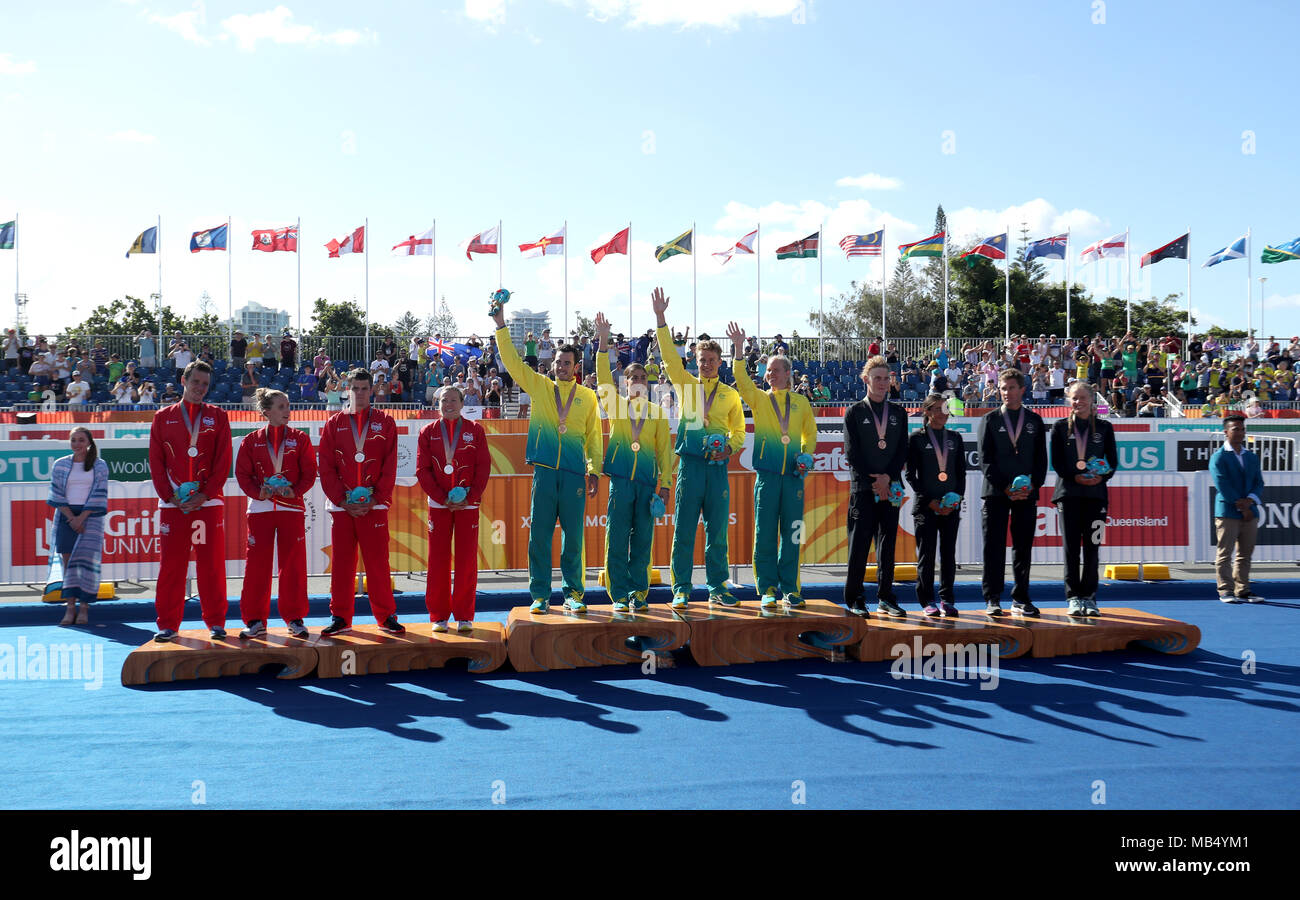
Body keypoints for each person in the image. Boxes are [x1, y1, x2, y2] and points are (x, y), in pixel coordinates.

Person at [493, 304, 602, 613]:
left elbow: (594, 437)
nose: (562, 367)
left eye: (567, 363)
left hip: (572, 473)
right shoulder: (541, 386)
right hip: (544, 470)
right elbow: (513, 364)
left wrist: (594, 469)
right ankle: (540, 594)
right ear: (552, 364)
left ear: (576, 366)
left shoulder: (588, 397)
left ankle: (573, 594)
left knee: (573, 539)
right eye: (558, 362)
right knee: (539, 536)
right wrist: (501, 325)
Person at [653, 287, 745, 608]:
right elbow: (667, 356)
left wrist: (729, 448)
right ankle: (680, 587)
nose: (705, 364)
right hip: (690, 466)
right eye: (701, 359)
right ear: (694, 360)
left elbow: (739, 430)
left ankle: (718, 587)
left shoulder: (730, 395)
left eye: (711, 360)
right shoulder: (686, 384)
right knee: (685, 532)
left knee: (717, 532)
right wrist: (661, 318)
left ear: (720, 362)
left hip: (717, 467)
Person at [726, 321, 817, 608]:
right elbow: (741, 380)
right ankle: (767, 588)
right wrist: (739, 349)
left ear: (788, 374)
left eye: (776, 370)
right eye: (768, 371)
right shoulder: (759, 399)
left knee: (793, 532)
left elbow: (810, 434)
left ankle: (791, 588)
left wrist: (805, 454)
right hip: (767, 477)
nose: (771, 375)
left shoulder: (801, 402)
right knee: (764, 535)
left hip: (793, 478)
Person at [148, 360, 232, 641]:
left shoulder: (218, 416)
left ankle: (216, 623)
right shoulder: (163, 416)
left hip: (207, 503)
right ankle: (168, 624)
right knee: (172, 566)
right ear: (183, 381)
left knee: (211, 565)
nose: (200, 388)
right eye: (195, 382)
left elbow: (223, 461)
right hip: (173, 504)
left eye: (205, 384)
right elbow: (156, 462)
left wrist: (204, 495)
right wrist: (170, 496)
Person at [595, 312, 673, 611]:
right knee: (616, 541)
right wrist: (603, 342)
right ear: (625, 383)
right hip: (621, 483)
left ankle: (638, 594)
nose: (638, 381)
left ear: (647, 382)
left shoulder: (657, 413)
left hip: (646, 486)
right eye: (633, 378)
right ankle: (618, 596)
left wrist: (665, 485)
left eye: (642, 378)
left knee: (642, 543)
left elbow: (665, 453)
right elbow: (603, 379)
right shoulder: (615, 405)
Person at [317, 369, 403, 635]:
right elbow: (327, 466)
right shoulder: (334, 423)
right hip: (343, 508)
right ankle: (340, 617)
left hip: (374, 507)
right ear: (347, 390)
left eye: (364, 388)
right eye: (355, 388)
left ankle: (386, 616)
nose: (360, 393)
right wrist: (342, 500)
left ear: (373, 390)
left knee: (378, 564)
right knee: (342, 565)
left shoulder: (386, 422)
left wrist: (375, 499)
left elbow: (390, 466)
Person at [235, 388, 317, 638]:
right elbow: (242, 474)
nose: (287, 411)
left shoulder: (300, 439)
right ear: (266, 412)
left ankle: (294, 618)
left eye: (288, 405)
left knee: (292, 565)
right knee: (256, 566)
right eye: (281, 407)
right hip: (260, 509)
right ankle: (255, 621)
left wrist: (296, 490)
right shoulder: (251, 440)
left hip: (291, 508)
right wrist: (257, 492)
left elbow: (310, 473)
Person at [416, 386, 491, 631]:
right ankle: (438, 616)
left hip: (468, 505)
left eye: (453, 400)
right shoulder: (427, 432)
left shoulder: (475, 430)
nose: (448, 404)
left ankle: (464, 615)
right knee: (438, 560)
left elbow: (483, 467)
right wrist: (442, 497)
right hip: (439, 505)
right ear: (438, 404)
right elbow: (422, 471)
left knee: (466, 560)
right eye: (444, 400)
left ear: (462, 403)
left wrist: (470, 496)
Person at [978, 369, 1048, 616]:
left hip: (1026, 495)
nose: (1007, 393)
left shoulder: (1034, 421)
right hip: (996, 493)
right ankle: (992, 598)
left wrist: (1030, 487)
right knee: (993, 546)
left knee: (1022, 547)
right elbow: (985, 461)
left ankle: (1021, 597)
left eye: (1011, 388)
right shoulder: (990, 419)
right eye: (1003, 388)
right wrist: (1006, 487)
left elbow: (1041, 462)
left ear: (1022, 390)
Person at [843, 355, 908, 617]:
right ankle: (855, 598)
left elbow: (901, 451)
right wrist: (874, 480)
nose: (882, 383)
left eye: (886, 378)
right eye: (877, 378)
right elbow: (852, 454)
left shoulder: (898, 413)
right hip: (863, 489)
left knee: (887, 544)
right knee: (859, 544)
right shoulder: (854, 412)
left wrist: (886, 479)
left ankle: (886, 597)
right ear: (865, 380)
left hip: (891, 488)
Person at [1049, 380, 1118, 617]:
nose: (1078, 402)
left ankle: (1089, 596)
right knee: (1071, 550)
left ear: (1092, 400)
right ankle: (1073, 597)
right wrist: (1076, 478)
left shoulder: (1105, 428)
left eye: (1083, 398)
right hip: (1068, 496)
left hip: (1096, 497)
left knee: (1092, 548)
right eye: (1074, 398)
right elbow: (1057, 463)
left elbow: (1112, 463)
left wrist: (1099, 478)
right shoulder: (1059, 428)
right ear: (1069, 400)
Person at [906, 394, 966, 616]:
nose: (943, 414)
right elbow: (911, 475)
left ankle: (947, 599)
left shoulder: (955, 438)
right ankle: (926, 600)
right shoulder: (916, 439)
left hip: (950, 507)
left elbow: (961, 474)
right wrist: (929, 501)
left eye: (946, 409)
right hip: (926, 507)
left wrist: (956, 499)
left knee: (948, 554)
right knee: (927, 555)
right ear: (928, 411)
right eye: (938, 409)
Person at [47, 428, 110, 626]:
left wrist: (81, 518)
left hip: (90, 517)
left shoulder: (100, 465)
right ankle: (70, 607)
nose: (77, 444)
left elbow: (99, 493)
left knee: (86, 564)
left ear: (89, 442)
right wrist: (72, 518)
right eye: (73, 440)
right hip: (66, 517)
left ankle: (84, 608)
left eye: (81, 440)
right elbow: (56, 494)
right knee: (68, 564)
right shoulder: (60, 464)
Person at [1212, 413, 1265, 603]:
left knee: (1245, 554)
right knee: (1224, 553)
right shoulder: (1218, 457)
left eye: (1243, 429)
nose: (1240, 432)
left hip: (1250, 512)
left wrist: (1250, 501)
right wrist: (1243, 507)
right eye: (1236, 429)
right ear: (1226, 432)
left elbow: (1258, 482)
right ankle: (1225, 589)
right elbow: (1222, 485)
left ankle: (1243, 589)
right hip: (1228, 512)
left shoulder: (1251, 456)